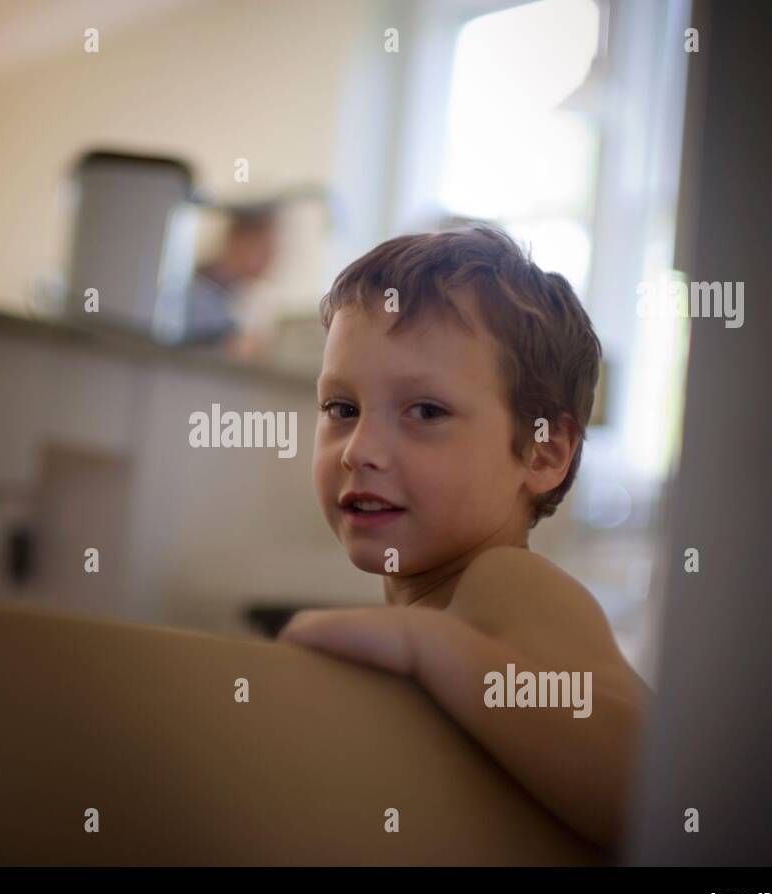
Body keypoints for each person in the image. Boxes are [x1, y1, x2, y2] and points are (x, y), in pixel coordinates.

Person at [278, 225, 650, 855]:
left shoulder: (504, 584)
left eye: (425, 412)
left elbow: (648, 785)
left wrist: (426, 646)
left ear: (543, 450)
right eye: (342, 409)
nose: (360, 451)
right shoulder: (442, 614)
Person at [180, 201, 280, 355]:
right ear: (241, 241)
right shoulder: (195, 292)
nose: (272, 258)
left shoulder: (229, 295)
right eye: (266, 247)